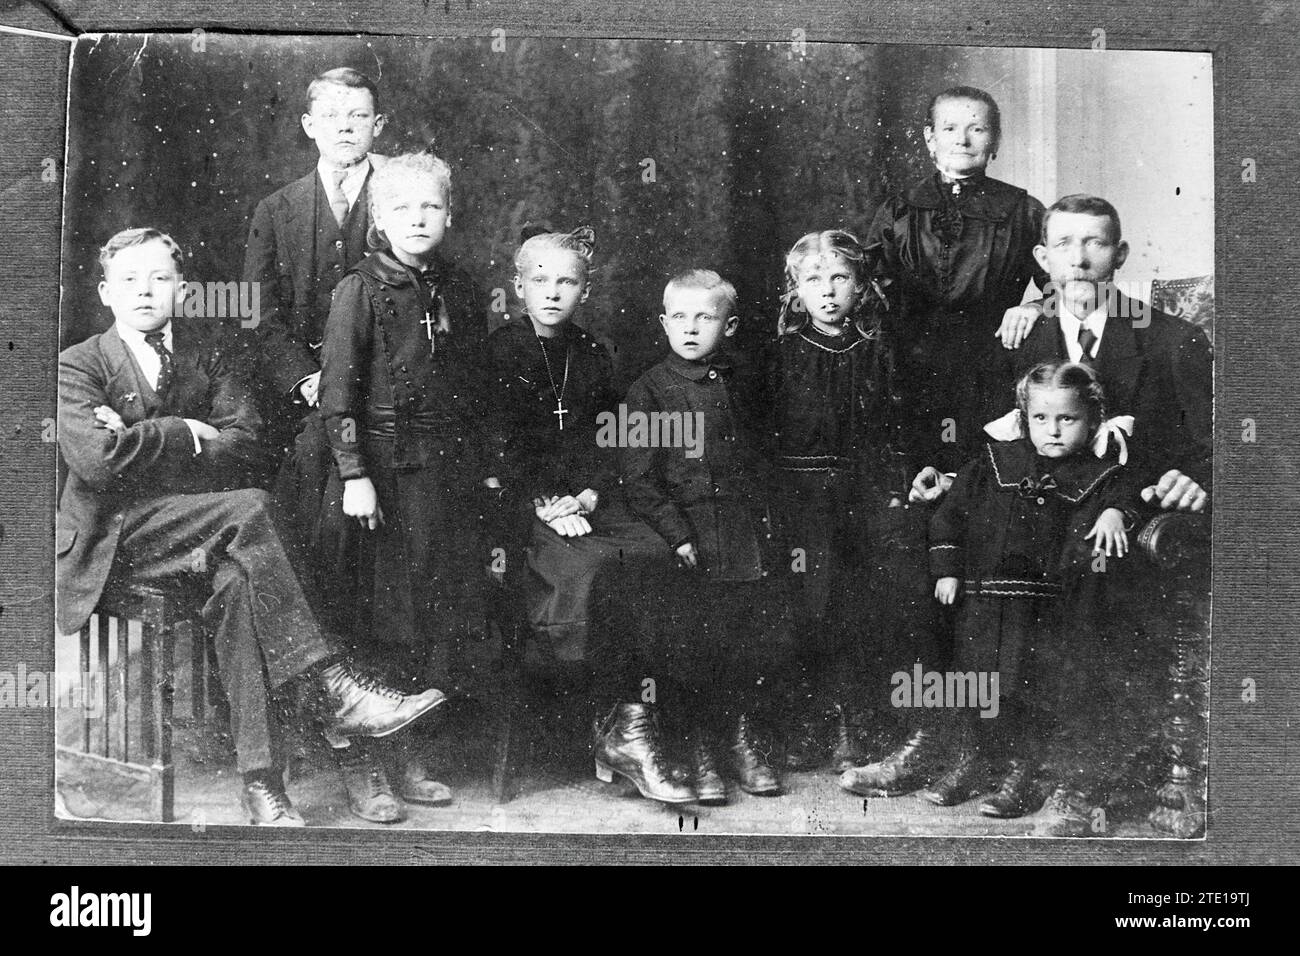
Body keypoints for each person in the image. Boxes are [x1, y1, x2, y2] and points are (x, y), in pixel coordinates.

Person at [57, 228, 446, 827]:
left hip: (209, 536)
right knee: (253, 506)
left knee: (242, 586)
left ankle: (262, 783)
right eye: (129, 280)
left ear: (181, 289)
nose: (145, 291)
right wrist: (185, 429)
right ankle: (335, 686)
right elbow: (95, 462)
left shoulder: (207, 354)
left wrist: (135, 436)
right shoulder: (78, 364)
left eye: (160, 278)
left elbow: (245, 444)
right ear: (105, 293)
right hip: (118, 542)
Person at [317, 152, 494, 822]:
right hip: (380, 475)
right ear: (378, 219)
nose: (417, 220)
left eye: (430, 208)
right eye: (402, 209)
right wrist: (355, 475)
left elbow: (474, 386)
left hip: (444, 474)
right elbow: (338, 397)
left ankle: (408, 753)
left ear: (449, 215)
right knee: (374, 611)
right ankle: (365, 768)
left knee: (428, 613)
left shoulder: (462, 288)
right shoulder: (357, 291)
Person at [486, 225, 691, 804]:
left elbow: (611, 438)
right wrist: (541, 505)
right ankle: (622, 730)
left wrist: (591, 495)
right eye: (540, 280)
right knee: (592, 569)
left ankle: (629, 728)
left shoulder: (595, 355)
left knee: (654, 554)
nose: (553, 292)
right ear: (518, 286)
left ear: (586, 289)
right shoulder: (499, 351)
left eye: (567, 281)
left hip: (585, 501)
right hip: (519, 508)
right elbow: (492, 445)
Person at [902, 362, 1141, 828]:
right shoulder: (992, 464)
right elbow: (948, 518)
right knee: (976, 685)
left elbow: (1130, 495)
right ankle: (974, 761)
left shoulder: (1104, 474)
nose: (1052, 431)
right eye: (1040, 419)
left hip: (1047, 608)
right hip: (984, 601)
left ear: (1092, 421)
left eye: (1067, 420)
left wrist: (1115, 513)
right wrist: (947, 571)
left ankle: (1022, 771)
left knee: (1029, 690)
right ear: (1024, 417)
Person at [620, 269, 793, 804]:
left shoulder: (743, 382)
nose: (691, 328)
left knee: (750, 643)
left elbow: (766, 458)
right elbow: (639, 479)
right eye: (680, 317)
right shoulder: (648, 389)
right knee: (693, 648)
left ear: (730, 324)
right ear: (663, 322)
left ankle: (741, 742)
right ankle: (696, 749)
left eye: (707, 316)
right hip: (691, 535)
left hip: (743, 531)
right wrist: (678, 535)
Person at [766, 230, 906, 773]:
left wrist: (894, 488)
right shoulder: (780, 355)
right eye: (813, 280)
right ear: (794, 290)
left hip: (863, 496)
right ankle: (809, 720)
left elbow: (895, 427)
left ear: (861, 284)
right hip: (799, 500)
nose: (827, 292)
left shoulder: (878, 350)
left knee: (858, 605)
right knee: (806, 607)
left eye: (840, 278)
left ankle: (855, 721)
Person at [242, 66, 388, 501]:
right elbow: (255, 311)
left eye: (359, 116)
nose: (345, 126)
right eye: (330, 115)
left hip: (383, 392)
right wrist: (305, 378)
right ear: (309, 125)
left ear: (378, 126)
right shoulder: (274, 210)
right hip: (300, 394)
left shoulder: (403, 198)